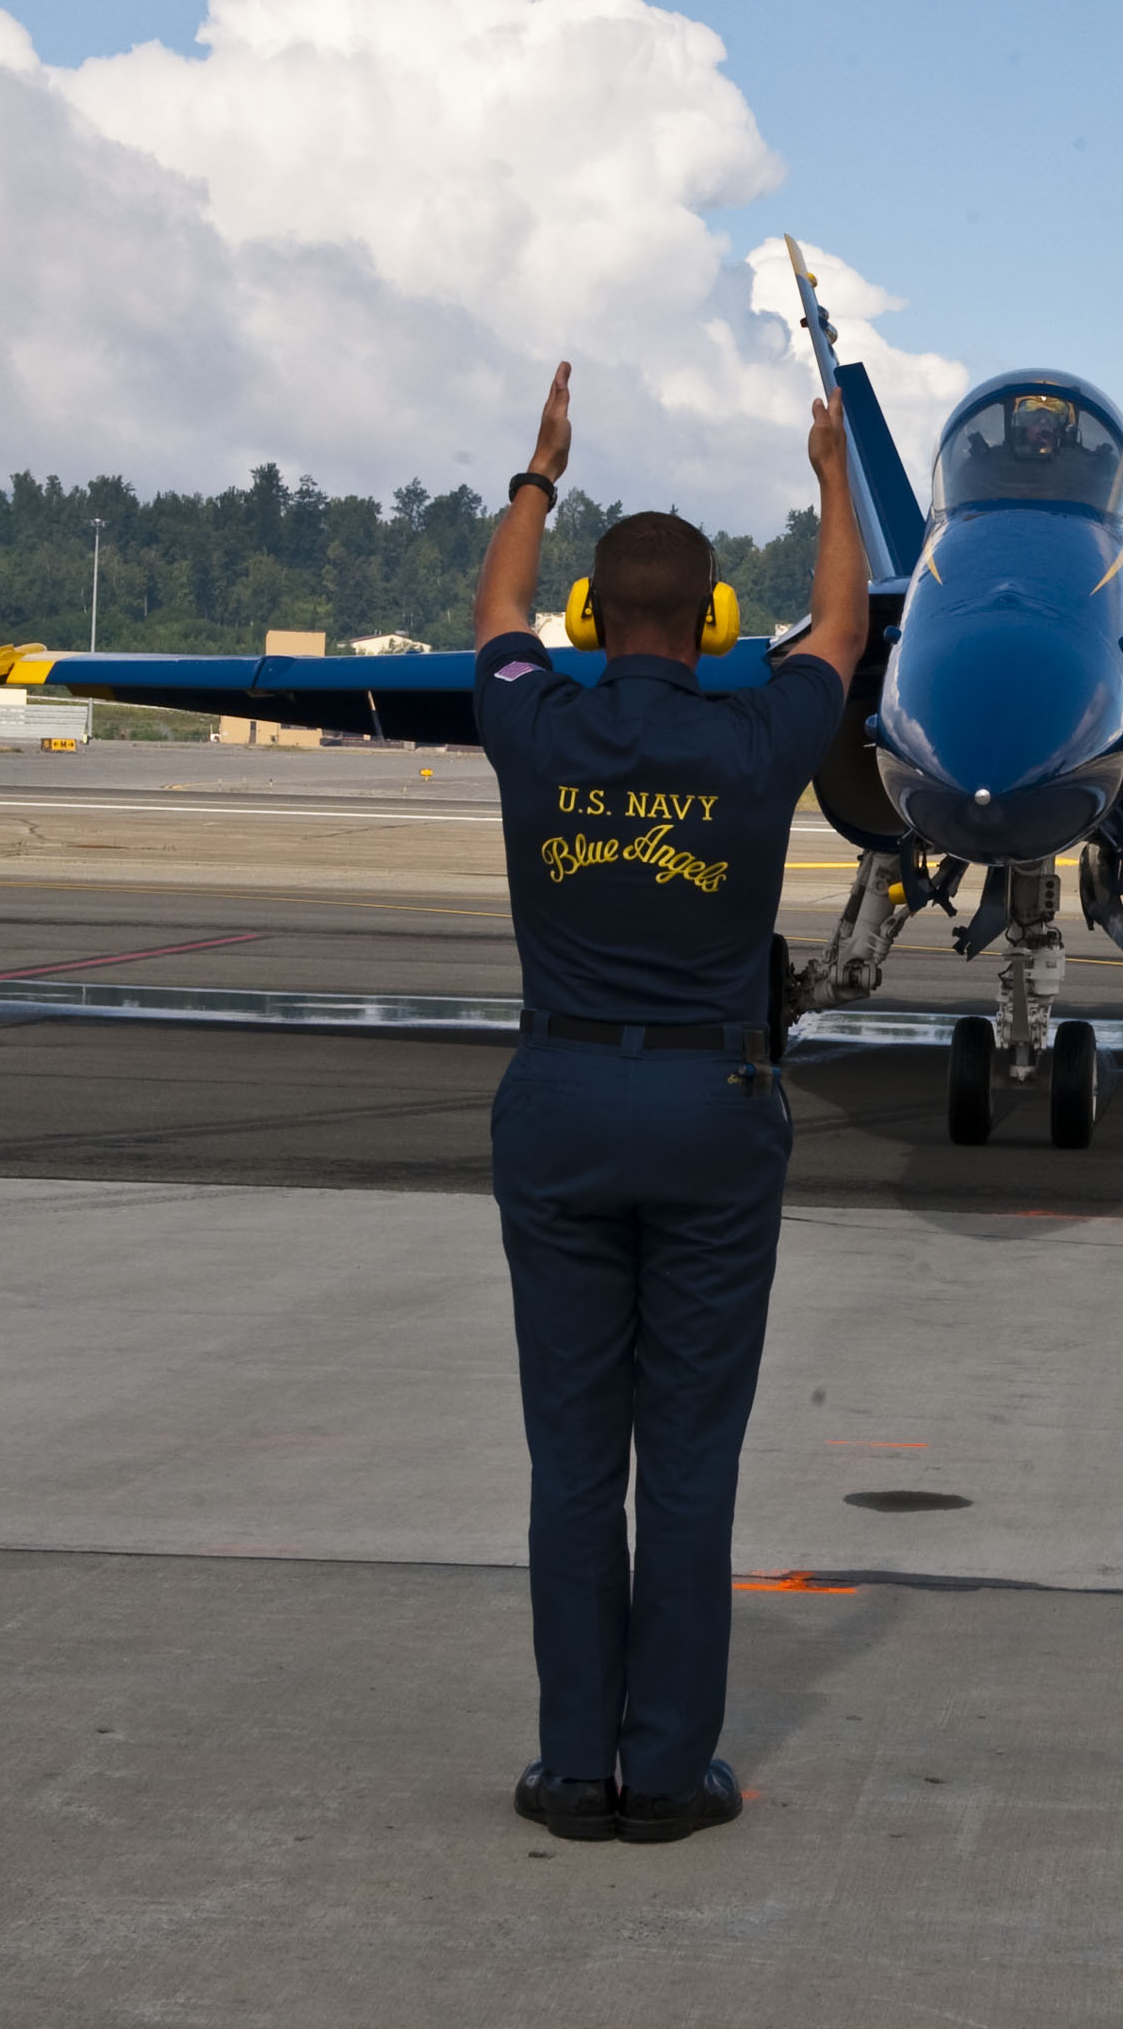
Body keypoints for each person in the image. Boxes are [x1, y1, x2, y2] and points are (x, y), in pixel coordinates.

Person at [470, 362, 867, 1846]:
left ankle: (575, 1767)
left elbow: (497, 615)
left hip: (563, 1096)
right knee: (689, 1464)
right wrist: (833, 479)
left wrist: (540, 472)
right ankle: (672, 1773)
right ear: (711, 624)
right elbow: (843, 627)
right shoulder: (757, 735)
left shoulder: (535, 723)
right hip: (713, 1102)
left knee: (573, 1461)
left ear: (592, 618)